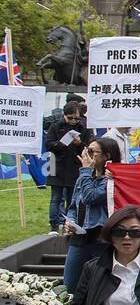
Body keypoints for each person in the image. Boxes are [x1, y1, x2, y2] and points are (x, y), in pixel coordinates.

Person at [63, 135, 122, 293]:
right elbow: (74, 204)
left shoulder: (112, 180)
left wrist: (86, 171)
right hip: (79, 239)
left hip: (100, 240)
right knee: (69, 287)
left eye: (91, 151)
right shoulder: (84, 176)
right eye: (86, 150)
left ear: (107, 156)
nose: (86, 155)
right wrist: (70, 222)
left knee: (98, 288)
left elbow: (91, 197)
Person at [46, 100, 87, 234]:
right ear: (64, 115)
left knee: (72, 199)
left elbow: (88, 148)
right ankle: (54, 225)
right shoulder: (55, 126)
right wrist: (63, 143)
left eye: (77, 118)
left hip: (73, 166)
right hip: (56, 164)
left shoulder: (82, 128)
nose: (74, 121)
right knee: (56, 198)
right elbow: (49, 144)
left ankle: (68, 224)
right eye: (70, 118)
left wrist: (79, 144)